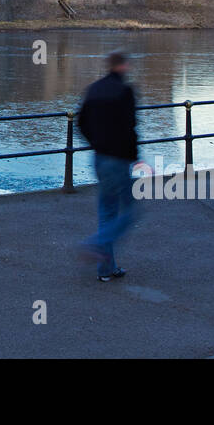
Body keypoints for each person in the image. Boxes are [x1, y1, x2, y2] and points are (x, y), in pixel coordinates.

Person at [77, 51, 139, 281]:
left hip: (99, 157)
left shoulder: (93, 89)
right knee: (131, 211)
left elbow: (81, 123)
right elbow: (130, 127)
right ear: (123, 66)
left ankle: (106, 269)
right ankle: (96, 243)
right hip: (119, 159)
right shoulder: (125, 91)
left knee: (107, 212)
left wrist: (95, 143)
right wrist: (134, 156)